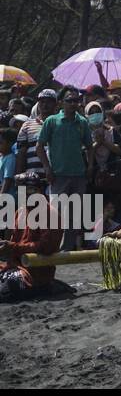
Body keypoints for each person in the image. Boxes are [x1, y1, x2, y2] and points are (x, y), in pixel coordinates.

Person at [36, 88, 93, 252]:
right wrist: (47, 168)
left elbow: (90, 147)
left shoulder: (82, 122)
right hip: (58, 175)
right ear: (61, 103)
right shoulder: (52, 121)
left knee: (74, 213)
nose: (73, 103)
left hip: (78, 175)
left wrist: (89, 166)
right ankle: (53, 245)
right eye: (70, 100)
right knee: (57, 213)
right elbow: (39, 147)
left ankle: (67, 248)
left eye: (76, 100)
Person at [0, 169, 62, 301]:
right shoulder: (20, 212)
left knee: (7, 288)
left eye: (28, 190)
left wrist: (12, 247)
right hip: (14, 266)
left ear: (38, 190)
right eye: (21, 190)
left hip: (36, 275)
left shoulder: (50, 213)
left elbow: (46, 247)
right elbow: (14, 244)